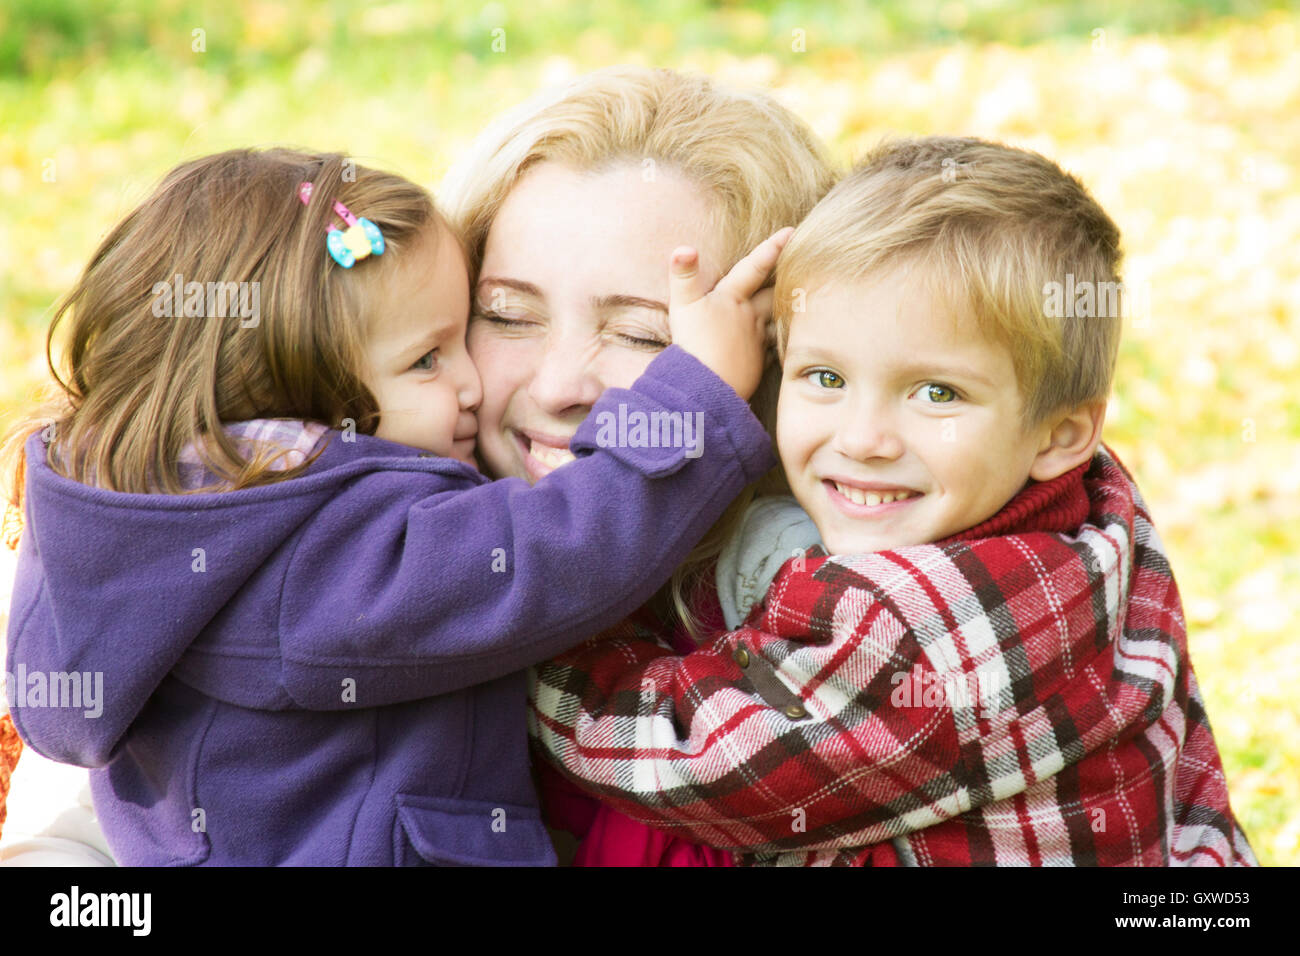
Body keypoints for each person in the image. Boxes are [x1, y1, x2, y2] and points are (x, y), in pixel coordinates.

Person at [2, 146, 789, 865]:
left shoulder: (159, 514)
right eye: (426, 360)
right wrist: (696, 397)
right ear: (298, 384)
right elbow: (551, 554)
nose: (472, 385)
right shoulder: (318, 544)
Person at [529, 136, 1258, 866]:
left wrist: (548, 633)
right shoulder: (1106, 510)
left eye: (937, 393)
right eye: (824, 376)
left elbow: (686, 760)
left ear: (1059, 433)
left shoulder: (914, 628)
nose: (864, 437)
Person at [439, 65, 838, 865]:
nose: (557, 386)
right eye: (508, 314)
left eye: (643, 336)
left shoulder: (829, 618)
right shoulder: (367, 560)